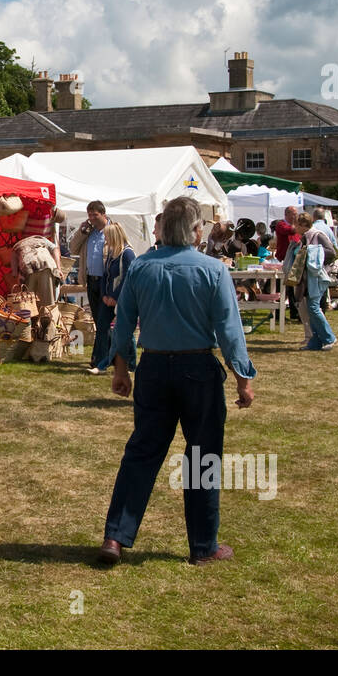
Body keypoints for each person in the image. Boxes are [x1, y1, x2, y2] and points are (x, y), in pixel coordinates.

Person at [97, 197, 255, 568]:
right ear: (197, 230)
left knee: (141, 454)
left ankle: (115, 537)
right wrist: (243, 379)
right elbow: (230, 333)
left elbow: (123, 323)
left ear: (163, 227)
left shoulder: (141, 268)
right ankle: (203, 545)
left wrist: (121, 370)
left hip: (153, 369)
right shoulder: (212, 271)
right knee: (203, 457)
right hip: (198, 370)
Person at [69, 201, 112, 371]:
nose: (92, 219)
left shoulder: (112, 230)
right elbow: (73, 248)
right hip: (91, 280)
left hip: (106, 280)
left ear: (103, 214)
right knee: (99, 321)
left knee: (103, 322)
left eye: (95, 215)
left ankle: (99, 359)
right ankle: (115, 355)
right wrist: (81, 231)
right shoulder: (89, 232)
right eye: (89, 215)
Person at [90, 222, 137, 374]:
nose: (105, 240)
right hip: (108, 298)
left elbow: (127, 279)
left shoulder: (128, 253)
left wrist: (115, 297)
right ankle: (101, 363)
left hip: (122, 299)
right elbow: (106, 275)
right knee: (102, 327)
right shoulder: (111, 253)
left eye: (107, 236)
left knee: (125, 330)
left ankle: (130, 363)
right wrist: (104, 295)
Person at [287, 213, 338, 350]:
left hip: (317, 278)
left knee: (314, 308)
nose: (294, 227)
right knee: (310, 309)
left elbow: (332, 253)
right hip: (307, 279)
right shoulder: (304, 237)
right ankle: (315, 342)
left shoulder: (317, 235)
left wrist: (312, 251)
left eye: (296, 224)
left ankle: (329, 337)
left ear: (304, 225)